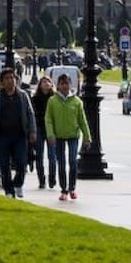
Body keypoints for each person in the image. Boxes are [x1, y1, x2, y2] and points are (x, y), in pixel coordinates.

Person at [0, 67, 36, 199]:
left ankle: (18, 184)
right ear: (2, 82)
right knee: (4, 165)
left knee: (21, 162)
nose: (10, 81)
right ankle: (8, 190)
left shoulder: (23, 96)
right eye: (7, 78)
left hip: (20, 136)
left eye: (12, 78)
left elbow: (30, 114)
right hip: (2, 136)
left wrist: (32, 131)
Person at [45, 72, 90, 201]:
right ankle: (64, 189)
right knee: (61, 163)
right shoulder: (52, 101)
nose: (64, 86)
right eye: (62, 83)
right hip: (58, 136)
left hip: (72, 135)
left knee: (72, 161)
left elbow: (82, 120)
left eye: (66, 83)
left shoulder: (77, 101)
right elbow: (48, 119)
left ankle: (72, 188)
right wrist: (50, 134)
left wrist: (87, 137)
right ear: (58, 85)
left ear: (70, 84)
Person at [30, 75, 56, 190]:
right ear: (40, 85)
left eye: (48, 82)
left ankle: (52, 178)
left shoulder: (54, 99)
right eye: (43, 82)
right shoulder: (35, 99)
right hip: (39, 128)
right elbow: (32, 114)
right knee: (39, 155)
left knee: (52, 156)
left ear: (51, 84)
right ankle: (41, 179)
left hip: (51, 129)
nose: (46, 84)